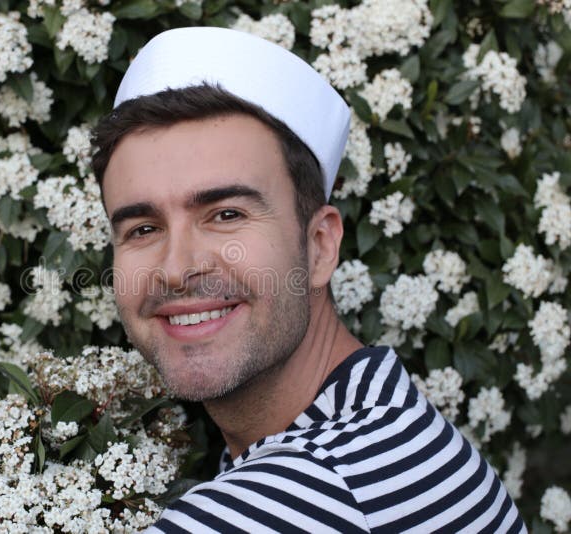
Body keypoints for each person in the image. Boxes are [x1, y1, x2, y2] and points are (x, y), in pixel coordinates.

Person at [91, 27, 525, 533]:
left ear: (320, 245)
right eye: (142, 228)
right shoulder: (388, 426)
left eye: (226, 215)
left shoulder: (307, 494)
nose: (175, 269)